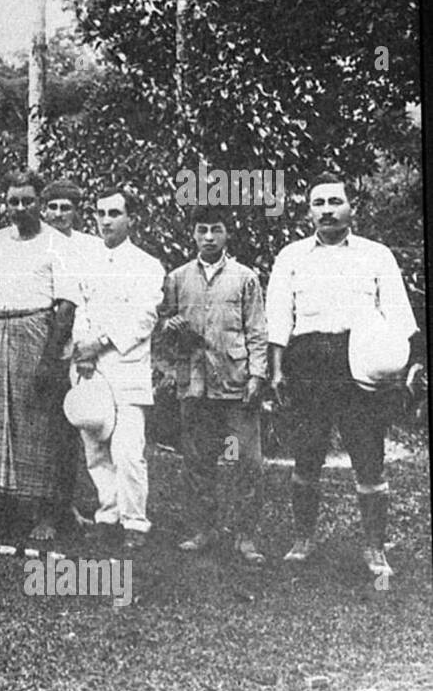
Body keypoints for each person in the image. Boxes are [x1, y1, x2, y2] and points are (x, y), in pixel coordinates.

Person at [265, 173, 420, 577]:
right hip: (309, 361)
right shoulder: (291, 256)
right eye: (319, 203)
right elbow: (279, 316)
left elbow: (400, 317)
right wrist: (278, 370)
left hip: (362, 362)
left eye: (335, 201)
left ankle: (374, 548)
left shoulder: (377, 255)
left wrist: (403, 367)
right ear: (309, 211)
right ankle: (302, 539)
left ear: (352, 207)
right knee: (307, 453)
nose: (328, 210)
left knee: (369, 457)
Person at [0, 171, 77, 541]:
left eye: (27, 200)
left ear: (39, 202)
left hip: (38, 332)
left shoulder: (55, 243)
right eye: (13, 201)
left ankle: (45, 515)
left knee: (38, 422)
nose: (19, 208)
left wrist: (49, 357)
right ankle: (1, 511)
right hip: (0, 332)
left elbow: (65, 306)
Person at [159, 205, 268, 564]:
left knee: (245, 461)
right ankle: (203, 529)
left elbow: (257, 331)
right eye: (202, 230)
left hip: (235, 385)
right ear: (192, 234)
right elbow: (164, 331)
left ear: (227, 233)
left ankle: (245, 535)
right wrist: (171, 327)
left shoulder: (244, 277)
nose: (209, 237)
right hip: (195, 384)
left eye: (216, 229)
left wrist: (257, 375)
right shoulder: (177, 278)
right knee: (197, 460)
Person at [68, 187, 164, 550]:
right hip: (91, 368)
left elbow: (144, 317)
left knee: (127, 450)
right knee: (95, 448)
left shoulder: (147, 265)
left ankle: (134, 522)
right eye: (100, 213)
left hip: (126, 368)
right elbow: (80, 309)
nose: (105, 220)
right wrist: (84, 350)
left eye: (114, 213)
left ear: (131, 219)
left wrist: (101, 341)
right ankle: (107, 515)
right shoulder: (88, 263)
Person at [40, 176, 100, 526]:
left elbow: (93, 297)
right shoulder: (34, 243)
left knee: (70, 431)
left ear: (77, 212)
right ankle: (40, 510)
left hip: (76, 348)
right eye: (54, 207)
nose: (60, 213)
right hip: (40, 344)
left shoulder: (89, 247)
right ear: (44, 210)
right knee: (41, 430)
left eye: (67, 207)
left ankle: (67, 504)